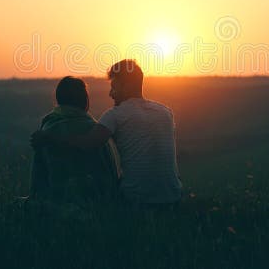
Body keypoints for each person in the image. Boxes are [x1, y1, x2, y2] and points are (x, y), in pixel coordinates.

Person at [31, 60, 182, 207]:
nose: (110, 94)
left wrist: (49, 137)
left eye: (114, 87)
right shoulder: (165, 112)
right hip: (173, 197)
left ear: (127, 86)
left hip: (137, 200)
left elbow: (88, 143)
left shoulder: (115, 115)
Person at [29, 76, 121, 203]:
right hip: (97, 207)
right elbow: (111, 174)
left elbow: (38, 180)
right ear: (85, 101)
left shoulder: (47, 130)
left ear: (58, 100)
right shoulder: (97, 131)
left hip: (55, 205)